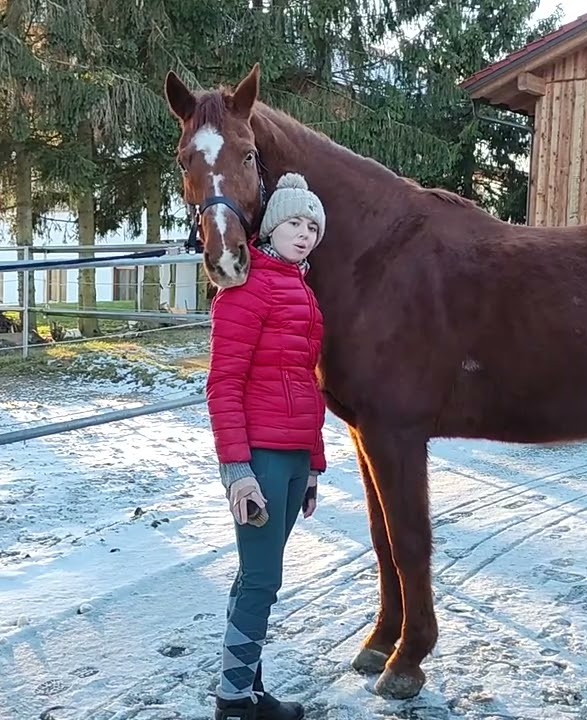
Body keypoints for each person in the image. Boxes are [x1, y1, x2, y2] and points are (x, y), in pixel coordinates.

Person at [206, 172, 328, 720]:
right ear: (272, 227)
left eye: (312, 227)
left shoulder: (302, 290)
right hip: (258, 459)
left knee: (254, 576)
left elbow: (305, 383)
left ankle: (249, 693)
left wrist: (314, 467)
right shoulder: (245, 289)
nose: (304, 234)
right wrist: (238, 471)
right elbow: (223, 385)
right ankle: (233, 702)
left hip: (292, 457)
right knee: (262, 579)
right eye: (295, 223)